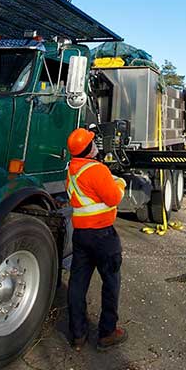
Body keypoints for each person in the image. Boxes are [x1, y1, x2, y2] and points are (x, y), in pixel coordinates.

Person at [66, 127, 128, 351]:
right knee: (111, 282)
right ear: (89, 149)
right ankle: (107, 333)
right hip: (103, 236)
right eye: (93, 142)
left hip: (81, 235)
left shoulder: (72, 169)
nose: (96, 145)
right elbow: (114, 198)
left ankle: (78, 335)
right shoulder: (97, 169)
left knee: (77, 284)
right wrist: (120, 183)